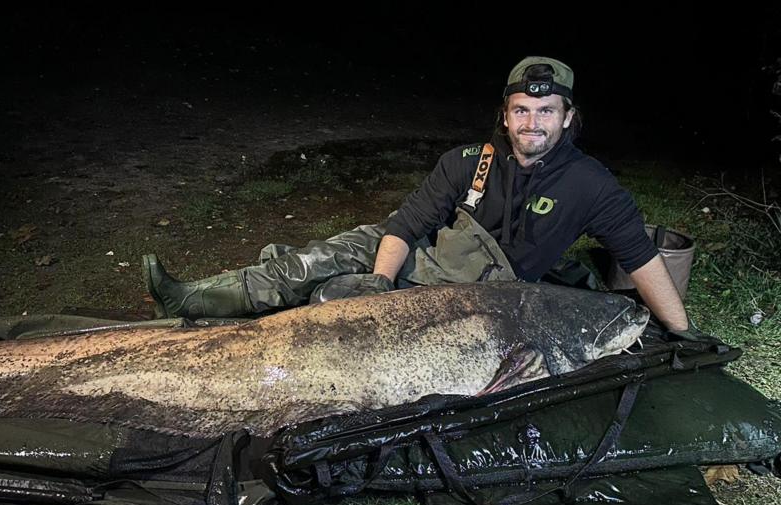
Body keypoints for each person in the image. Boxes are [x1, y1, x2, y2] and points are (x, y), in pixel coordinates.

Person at [143, 56, 709, 341]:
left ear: (567, 117)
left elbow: (640, 257)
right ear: (505, 115)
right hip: (424, 259)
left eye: (546, 112)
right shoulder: (468, 160)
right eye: (521, 111)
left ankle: (251, 328)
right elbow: (406, 222)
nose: (532, 123)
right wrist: (382, 281)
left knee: (333, 302)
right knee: (329, 256)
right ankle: (191, 300)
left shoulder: (591, 184)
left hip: (473, 294)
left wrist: (681, 334)